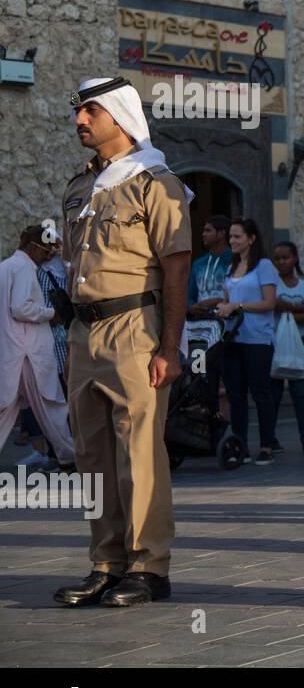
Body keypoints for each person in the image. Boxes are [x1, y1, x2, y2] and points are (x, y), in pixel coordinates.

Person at [53, 77, 191, 608]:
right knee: (92, 456)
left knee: (139, 453)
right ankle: (106, 562)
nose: (79, 121)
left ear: (117, 114)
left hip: (135, 328)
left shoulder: (157, 183)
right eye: (78, 111)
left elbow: (177, 271)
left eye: (89, 111)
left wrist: (170, 348)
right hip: (83, 332)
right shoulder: (79, 188)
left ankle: (149, 566)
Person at [0, 226, 76, 466]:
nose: (49, 257)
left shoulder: (6, 267)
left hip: (13, 351)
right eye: (46, 252)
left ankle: (69, 456)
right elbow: (21, 308)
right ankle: (70, 458)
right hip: (27, 352)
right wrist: (51, 313)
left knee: (8, 409)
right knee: (52, 406)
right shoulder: (23, 268)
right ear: (33, 248)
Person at [214, 218, 280, 465]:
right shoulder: (231, 268)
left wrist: (238, 306)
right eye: (230, 236)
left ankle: (267, 444)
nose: (232, 241)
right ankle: (239, 444)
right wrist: (224, 307)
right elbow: (226, 299)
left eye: (237, 236)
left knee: (260, 392)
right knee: (235, 394)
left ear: (251, 239)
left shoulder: (264, 266)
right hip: (233, 338)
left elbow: (269, 303)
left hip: (258, 339)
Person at [270, 240, 304, 455]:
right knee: (273, 395)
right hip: (275, 342)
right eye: (277, 259)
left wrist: (287, 307)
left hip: (300, 342)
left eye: (285, 257)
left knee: (300, 394)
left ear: (295, 258)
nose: (281, 262)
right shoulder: (271, 285)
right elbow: (271, 305)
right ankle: (270, 439)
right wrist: (297, 308)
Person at [187, 215, 232, 318]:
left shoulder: (235, 260)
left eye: (208, 231)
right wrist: (192, 307)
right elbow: (190, 296)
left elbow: (244, 295)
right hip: (202, 324)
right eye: (204, 231)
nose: (203, 234)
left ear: (221, 234)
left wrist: (217, 301)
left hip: (231, 321)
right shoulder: (198, 264)